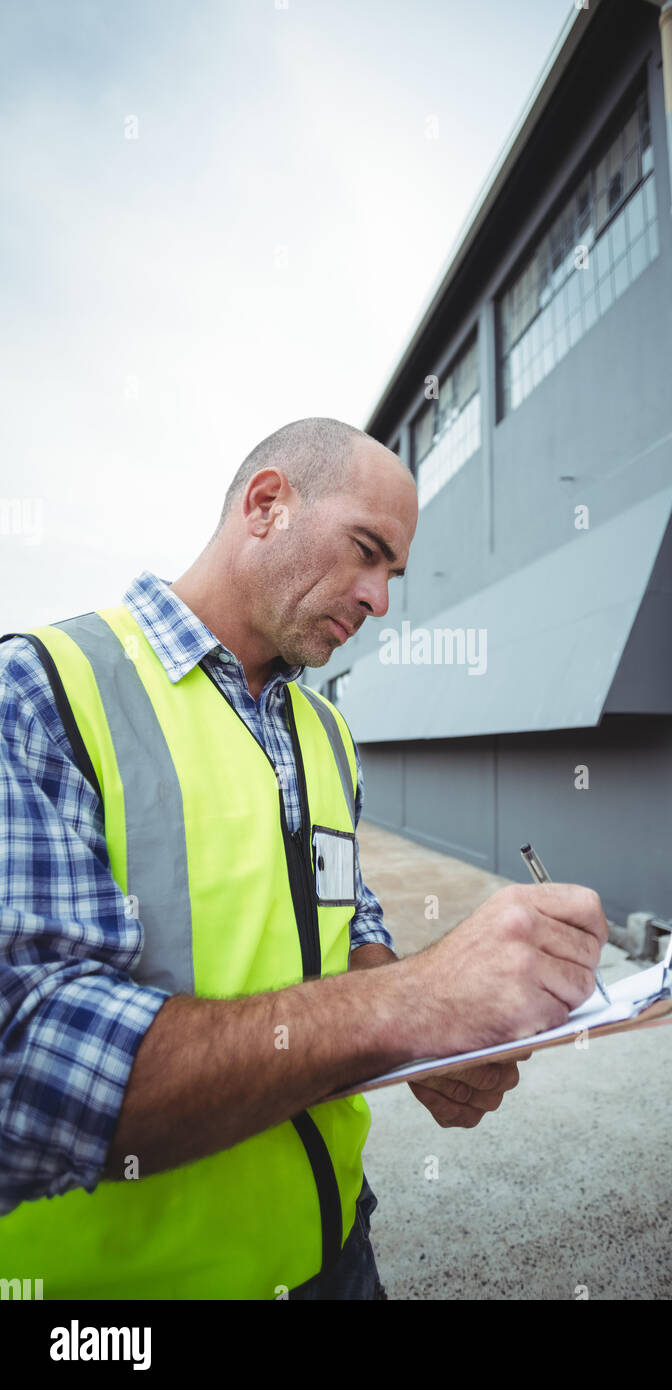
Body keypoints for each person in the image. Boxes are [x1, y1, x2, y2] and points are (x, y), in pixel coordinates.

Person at [0, 417, 607, 1299]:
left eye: (393, 575)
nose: (380, 600)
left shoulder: (323, 730)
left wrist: (431, 1039)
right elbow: (26, 1060)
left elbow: (343, 916)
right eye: (367, 551)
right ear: (267, 504)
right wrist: (411, 1001)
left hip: (333, 1251)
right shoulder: (42, 692)